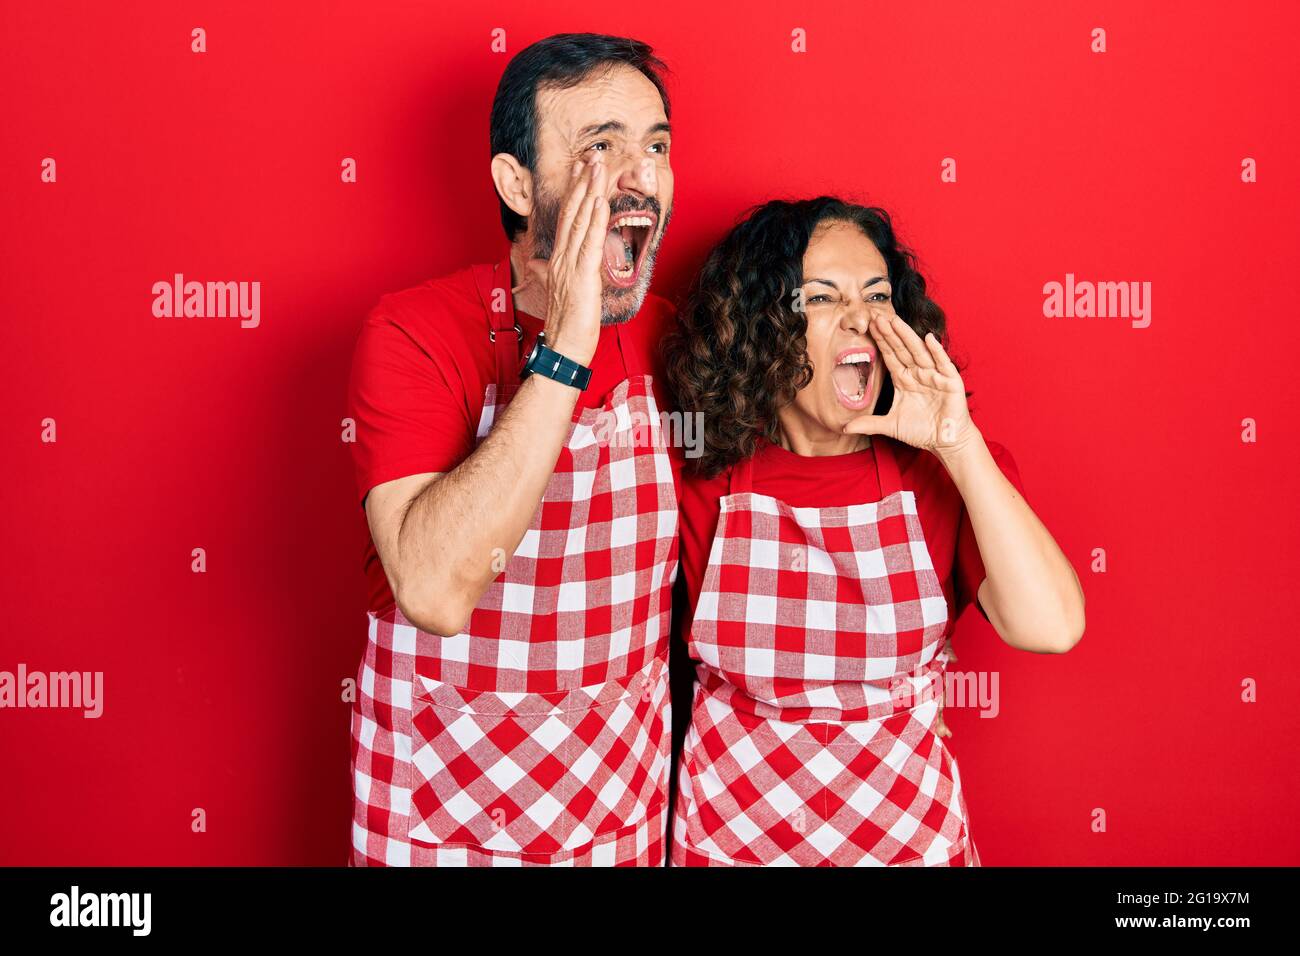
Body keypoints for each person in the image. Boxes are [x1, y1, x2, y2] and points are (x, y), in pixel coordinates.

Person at [662, 196, 1085, 866]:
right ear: (762, 325)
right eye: (824, 298)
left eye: (877, 295)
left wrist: (959, 444)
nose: (861, 317)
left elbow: (1051, 626)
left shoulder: (946, 472)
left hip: (908, 842)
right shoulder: (699, 478)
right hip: (731, 841)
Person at [345, 33, 680, 866]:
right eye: (602, 147)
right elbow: (433, 588)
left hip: (617, 815)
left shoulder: (683, 340)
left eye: (657, 146)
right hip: (438, 819)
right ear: (517, 183)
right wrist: (566, 345)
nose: (639, 176)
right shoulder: (414, 333)